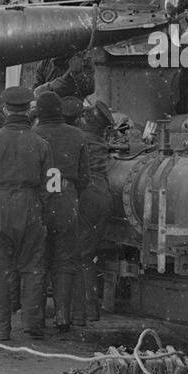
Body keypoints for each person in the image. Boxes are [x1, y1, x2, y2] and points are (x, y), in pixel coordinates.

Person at [0, 86, 52, 341]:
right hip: (31, 206)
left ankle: (1, 329)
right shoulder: (42, 144)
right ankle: (33, 324)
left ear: (4, 110)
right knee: (33, 267)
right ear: (28, 110)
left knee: (0, 269)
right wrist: (42, 211)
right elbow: (51, 186)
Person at [32, 89, 90, 333]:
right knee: (65, 260)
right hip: (68, 200)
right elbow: (85, 177)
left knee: (37, 259)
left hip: (39, 201)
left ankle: (34, 319)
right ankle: (62, 316)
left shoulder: (33, 134)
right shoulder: (77, 135)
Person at [75, 100, 115, 327]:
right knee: (88, 253)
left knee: (81, 255)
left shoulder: (80, 138)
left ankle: (87, 310)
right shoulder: (98, 141)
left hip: (87, 197)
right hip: (103, 197)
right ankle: (90, 308)